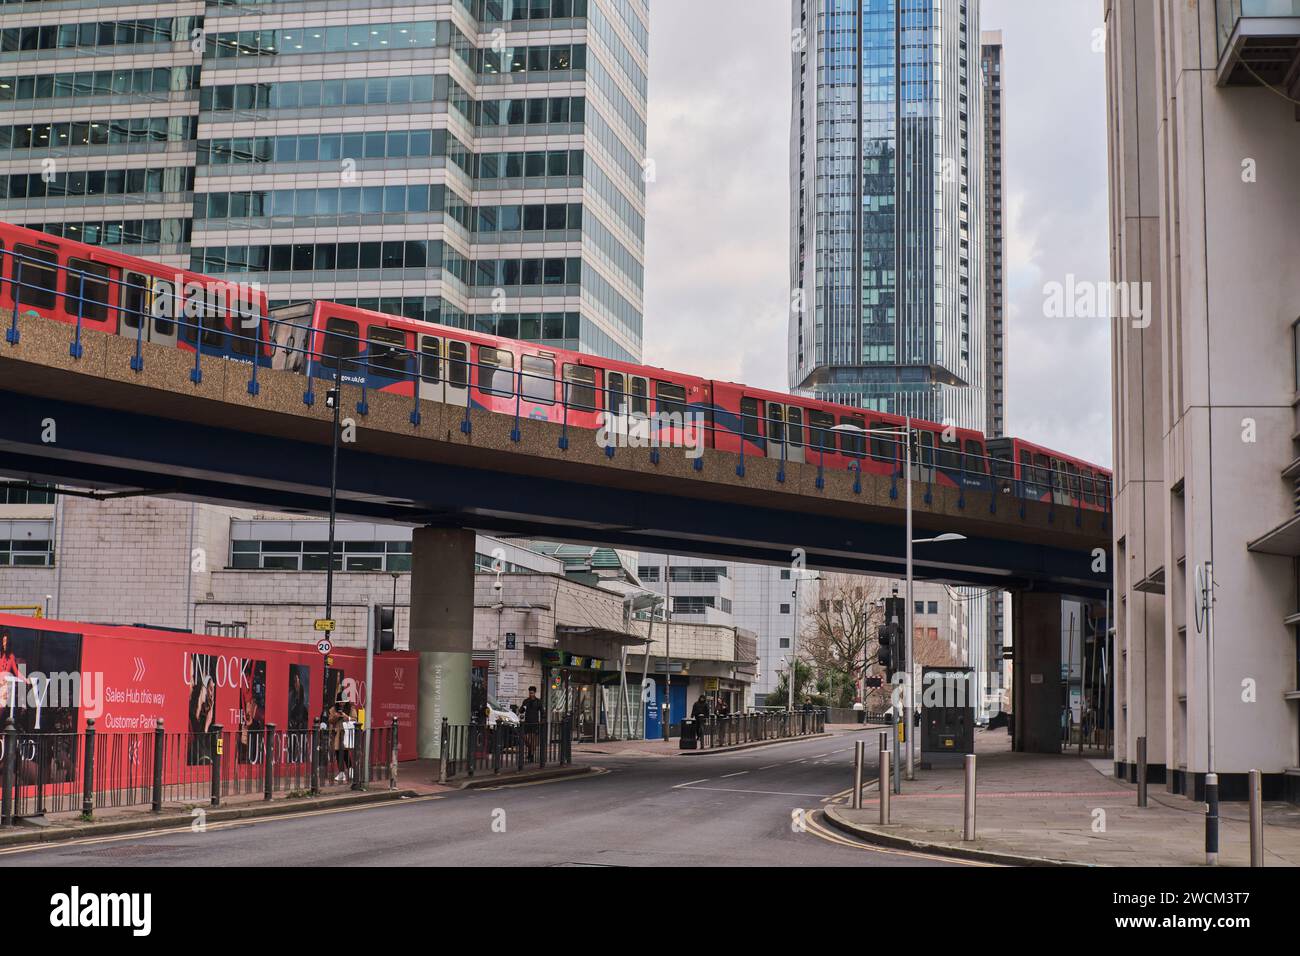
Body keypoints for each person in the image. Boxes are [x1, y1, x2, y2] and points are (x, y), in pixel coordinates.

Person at [328, 693, 356, 782]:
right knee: (337, 752)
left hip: (346, 733)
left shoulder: (351, 709)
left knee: (345, 753)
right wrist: (336, 717)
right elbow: (330, 721)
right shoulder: (333, 709)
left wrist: (346, 717)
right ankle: (341, 773)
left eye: (343, 702)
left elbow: (355, 719)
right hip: (337, 733)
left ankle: (351, 770)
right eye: (340, 702)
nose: (341, 704)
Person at [519, 686, 544, 760]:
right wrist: (522, 708)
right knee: (525, 738)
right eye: (530, 693)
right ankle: (531, 751)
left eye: (532, 693)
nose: (531, 694)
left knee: (533, 739)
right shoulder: (526, 701)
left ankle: (531, 755)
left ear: (534, 693)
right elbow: (521, 711)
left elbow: (542, 712)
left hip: (535, 723)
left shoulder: (538, 701)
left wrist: (542, 720)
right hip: (527, 723)